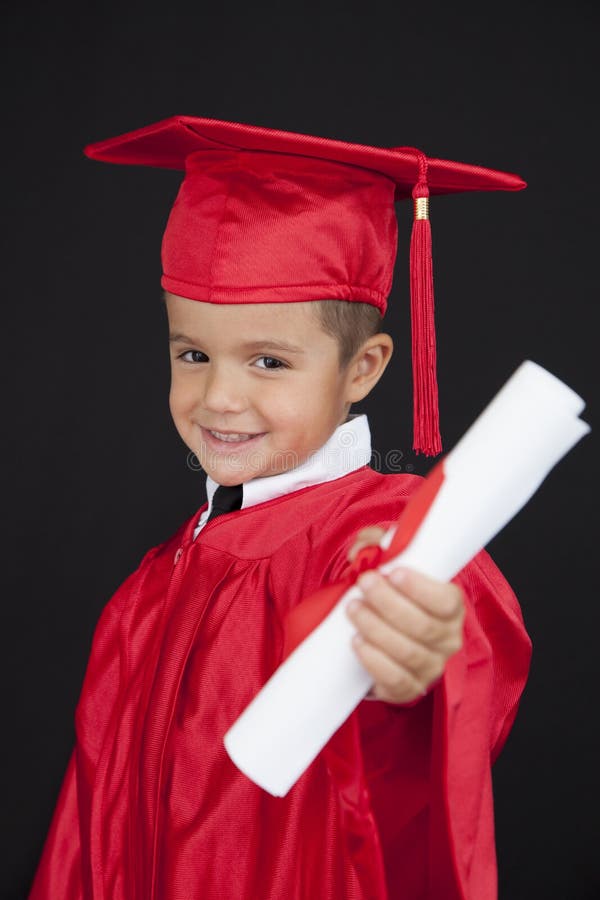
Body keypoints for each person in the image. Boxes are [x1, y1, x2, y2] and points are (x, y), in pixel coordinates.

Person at [29, 115, 532, 900]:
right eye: (193, 353)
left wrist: (423, 654)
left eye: (269, 361)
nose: (219, 397)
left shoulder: (379, 536)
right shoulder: (153, 585)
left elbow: (449, 620)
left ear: (362, 368)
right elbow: (84, 840)